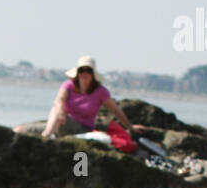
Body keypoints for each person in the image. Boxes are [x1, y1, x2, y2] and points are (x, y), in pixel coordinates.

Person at [14, 56, 145, 141]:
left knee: (57, 114)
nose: (84, 74)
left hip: (82, 128)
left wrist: (130, 126)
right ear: (77, 73)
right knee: (19, 130)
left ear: (93, 74)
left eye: (88, 71)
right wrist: (60, 111)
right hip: (60, 123)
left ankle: (46, 137)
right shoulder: (69, 85)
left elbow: (115, 110)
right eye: (82, 70)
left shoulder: (100, 91)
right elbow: (59, 100)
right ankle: (47, 135)